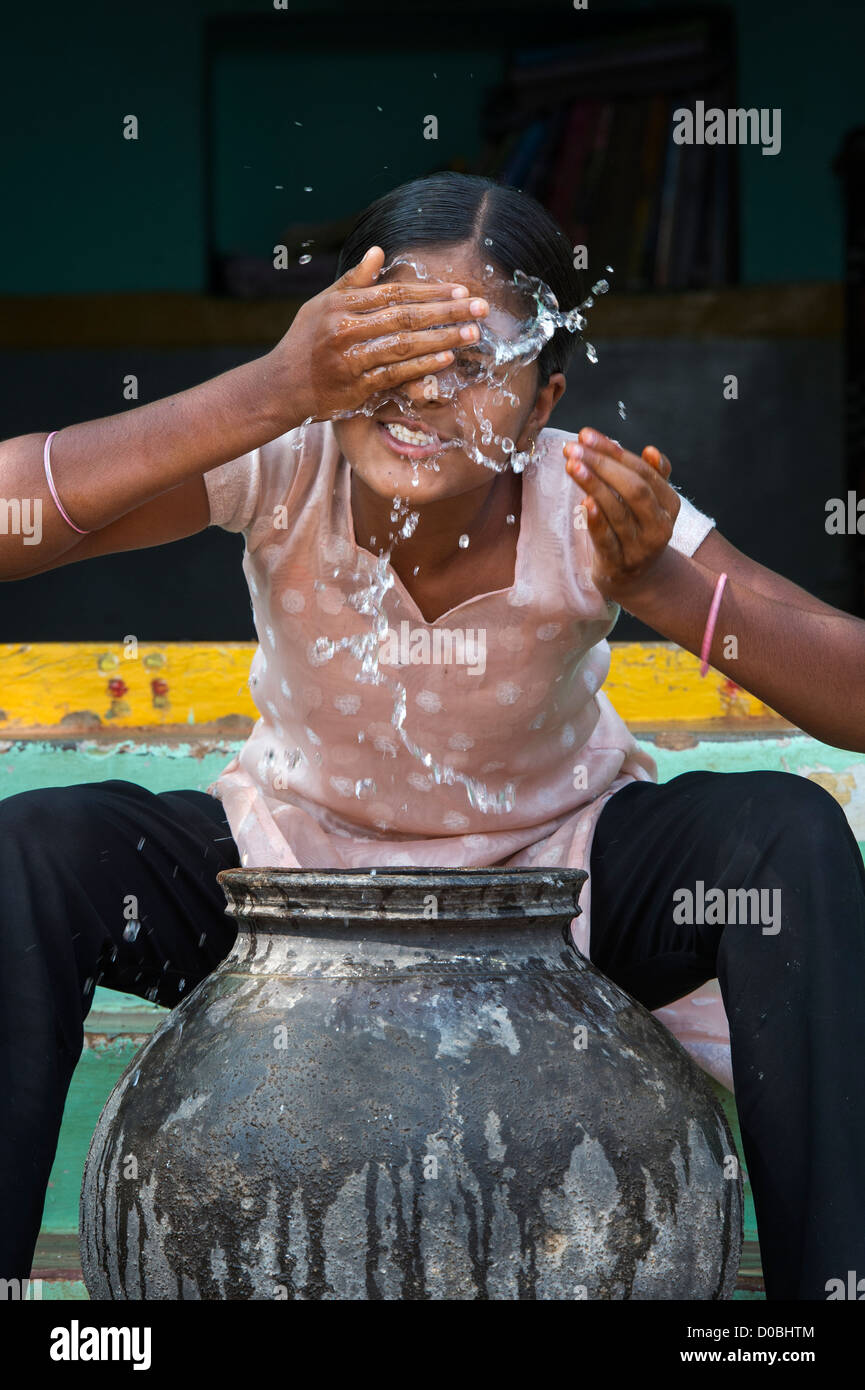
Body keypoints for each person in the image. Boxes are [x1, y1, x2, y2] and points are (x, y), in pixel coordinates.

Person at [1, 172, 863, 1301]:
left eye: (471, 365)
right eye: (384, 349)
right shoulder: (288, 450)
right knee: (33, 851)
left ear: (542, 400)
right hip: (285, 887)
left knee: (785, 835)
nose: (419, 395)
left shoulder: (579, 494)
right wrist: (270, 390)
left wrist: (661, 584)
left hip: (555, 894)